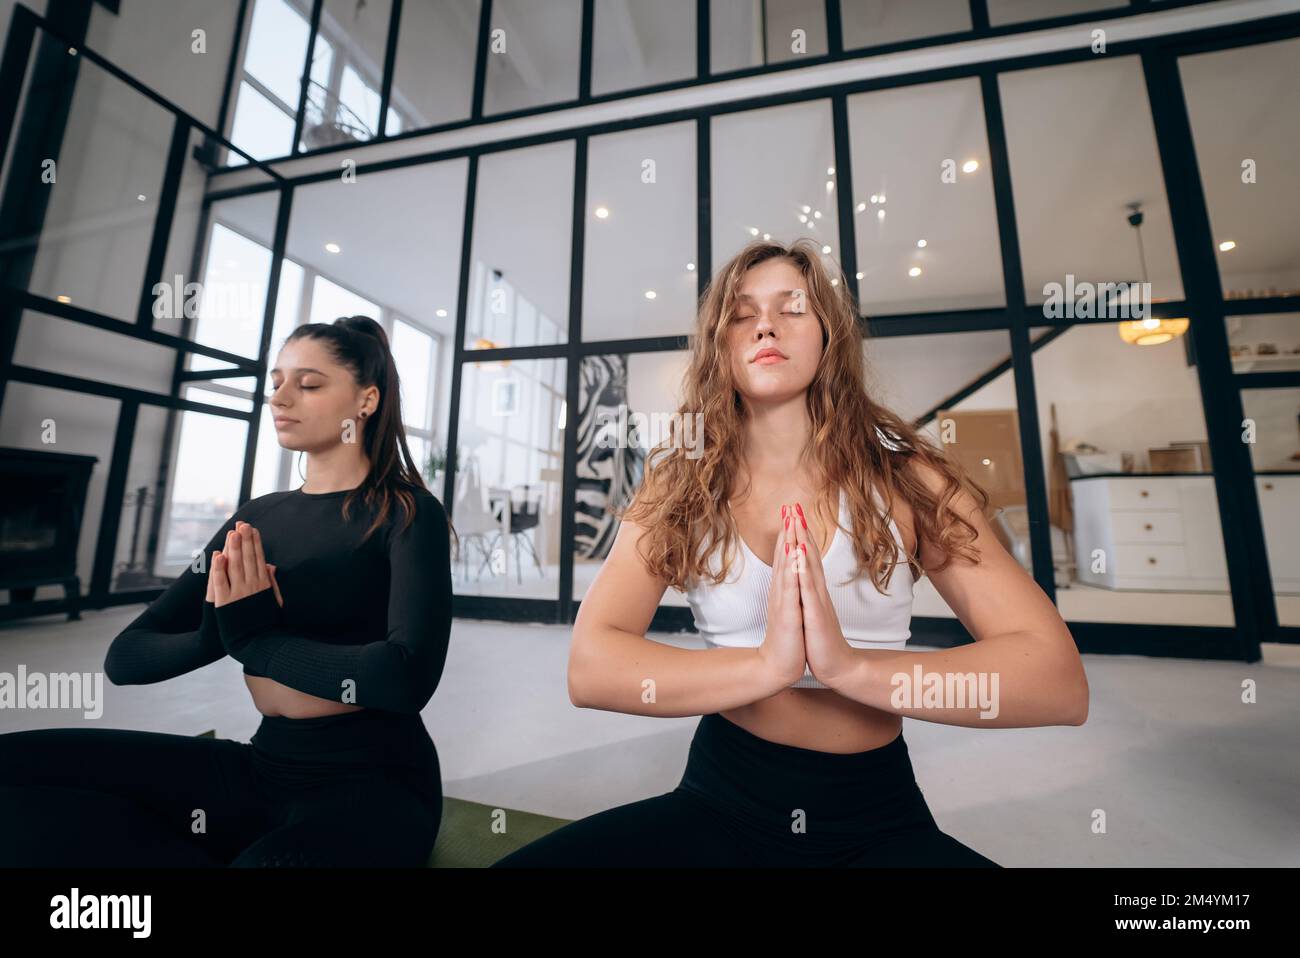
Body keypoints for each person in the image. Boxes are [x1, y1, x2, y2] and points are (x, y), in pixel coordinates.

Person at [493, 239, 1089, 868]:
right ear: (720, 345)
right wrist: (769, 666)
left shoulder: (908, 479)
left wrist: (847, 668)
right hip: (718, 801)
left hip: (875, 818)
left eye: (792, 308)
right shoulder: (680, 480)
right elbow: (591, 667)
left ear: (829, 335)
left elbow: (1055, 683)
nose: (766, 325)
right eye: (742, 314)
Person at [0, 316, 455, 868]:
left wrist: (256, 640)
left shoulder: (405, 513)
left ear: (366, 401)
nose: (281, 397)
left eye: (308, 384)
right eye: (276, 381)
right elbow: (126, 656)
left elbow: (405, 677)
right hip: (261, 769)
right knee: (16, 765)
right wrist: (218, 634)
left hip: (375, 784)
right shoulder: (258, 517)